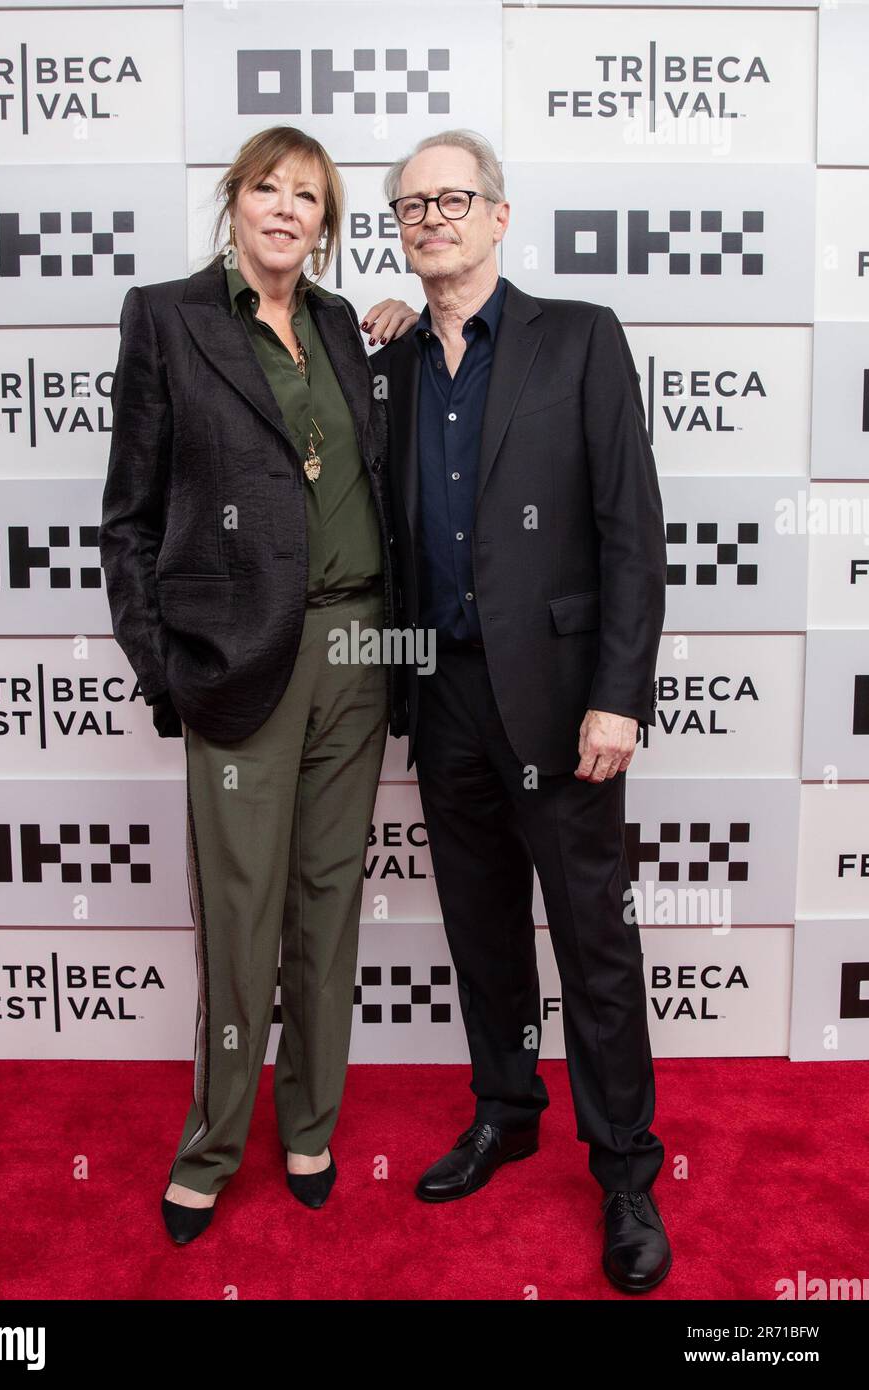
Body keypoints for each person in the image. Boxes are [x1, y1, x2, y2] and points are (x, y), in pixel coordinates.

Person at [99, 125, 415, 1244]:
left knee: (328, 907)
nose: (286, 208)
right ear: (234, 202)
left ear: (326, 226)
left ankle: (312, 1124)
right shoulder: (169, 318)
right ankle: (214, 1143)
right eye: (268, 188)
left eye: (309, 197)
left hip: (359, 653)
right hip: (238, 665)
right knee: (239, 919)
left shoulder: (343, 327)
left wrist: (406, 325)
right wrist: (163, 667)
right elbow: (128, 517)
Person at [370, 129, 671, 1293]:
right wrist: (381, 323)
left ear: (500, 215)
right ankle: (507, 1109)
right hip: (438, 691)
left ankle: (629, 1170)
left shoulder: (580, 338)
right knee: (481, 928)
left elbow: (631, 531)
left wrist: (616, 696)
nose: (433, 217)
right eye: (411, 205)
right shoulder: (385, 363)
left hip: (558, 704)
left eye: (455, 198)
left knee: (594, 940)